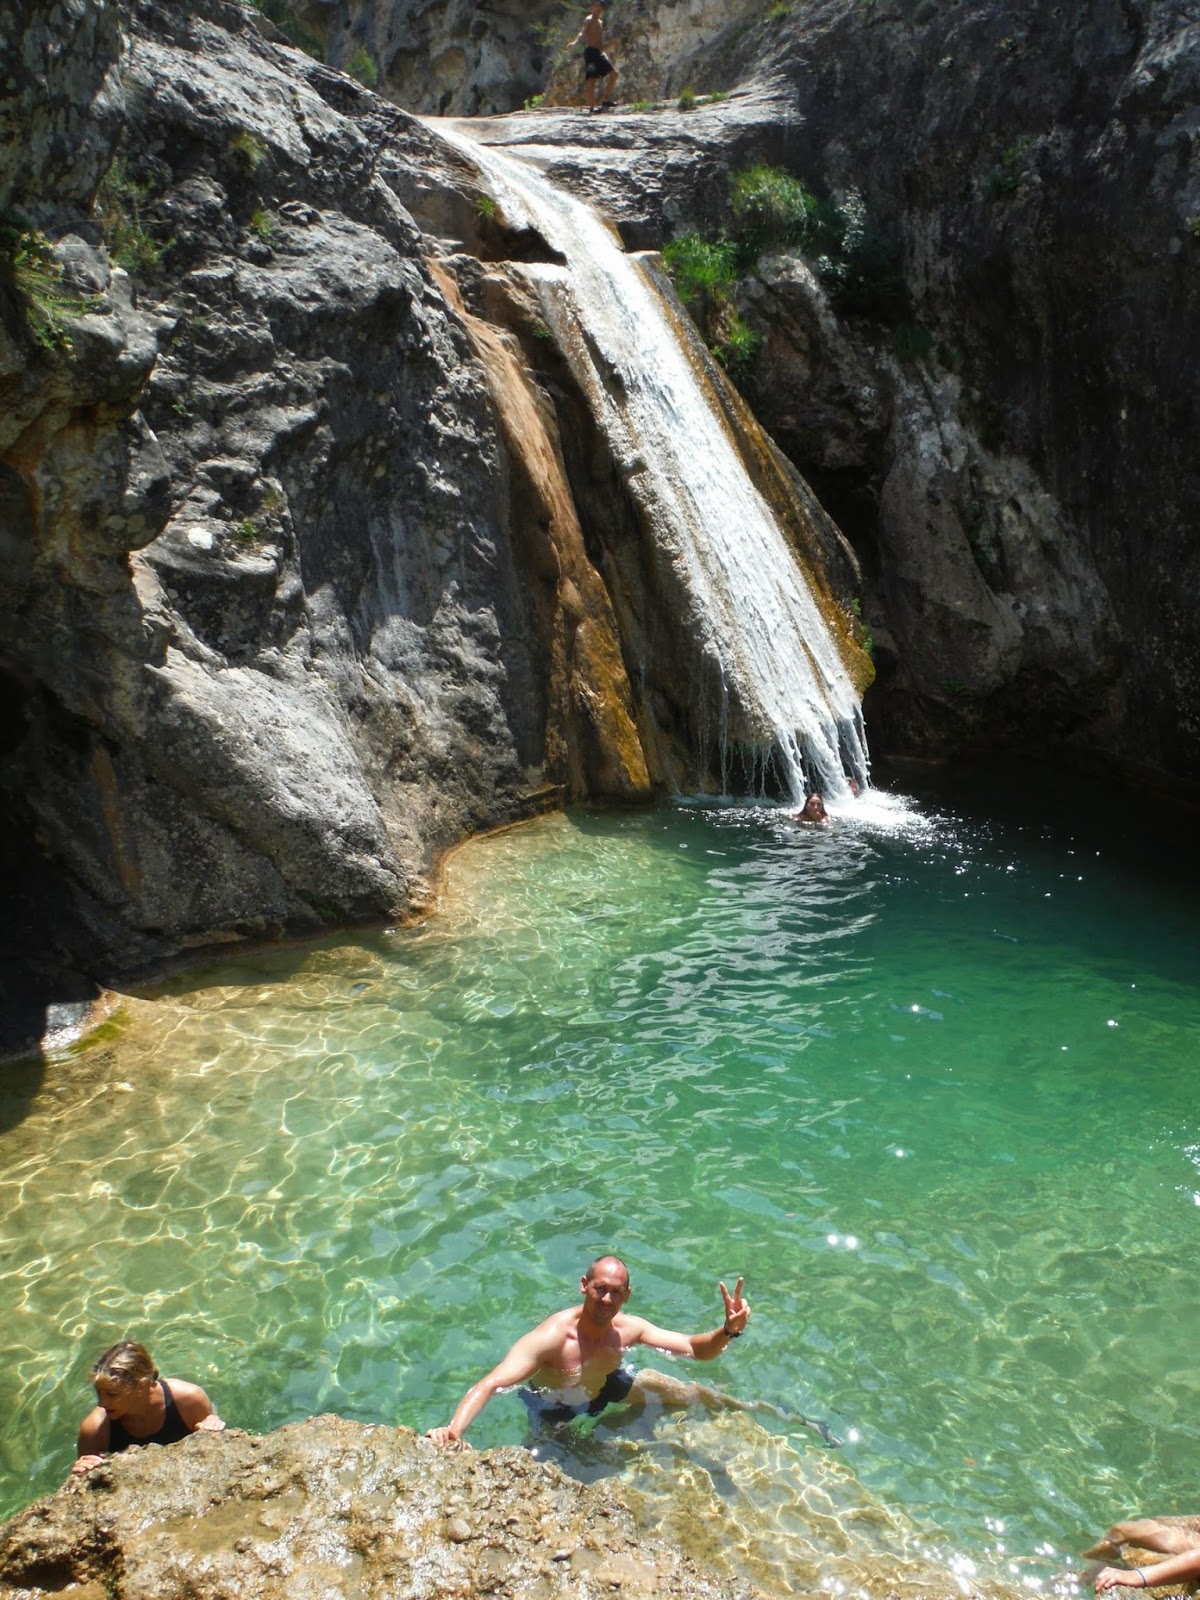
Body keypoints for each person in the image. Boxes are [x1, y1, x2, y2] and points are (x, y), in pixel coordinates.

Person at [425, 1254, 750, 1448]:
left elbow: (696, 1349)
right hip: (556, 1406)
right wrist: (454, 1430)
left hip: (607, 1384)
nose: (607, 1299)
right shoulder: (551, 1339)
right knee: (556, 1468)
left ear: (627, 1296)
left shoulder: (628, 1329)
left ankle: (750, 1410)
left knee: (687, 1396)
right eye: (600, 1289)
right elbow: (491, 1383)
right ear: (584, 1285)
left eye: (616, 1293)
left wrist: (728, 1331)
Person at [73, 1340, 224, 1474]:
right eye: (99, 1393)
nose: (102, 1403)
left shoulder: (189, 1399)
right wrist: (83, 1470)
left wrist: (211, 1430)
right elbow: (85, 1483)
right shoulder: (95, 1429)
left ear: (142, 1385)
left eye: (112, 1394)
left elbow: (216, 1456)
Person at [569, 0, 618, 114]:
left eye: (599, 6)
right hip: (591, 53)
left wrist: (602, 52)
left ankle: (605, 100)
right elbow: (583, 33)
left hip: (599, 53)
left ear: (602, 8)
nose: (596, 8)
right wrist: (575, 43)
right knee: (591, 80)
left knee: (614, 75)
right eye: (594, 5)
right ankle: (592, 107)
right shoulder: (589, 20)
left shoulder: (600, 22)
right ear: (592, 7)